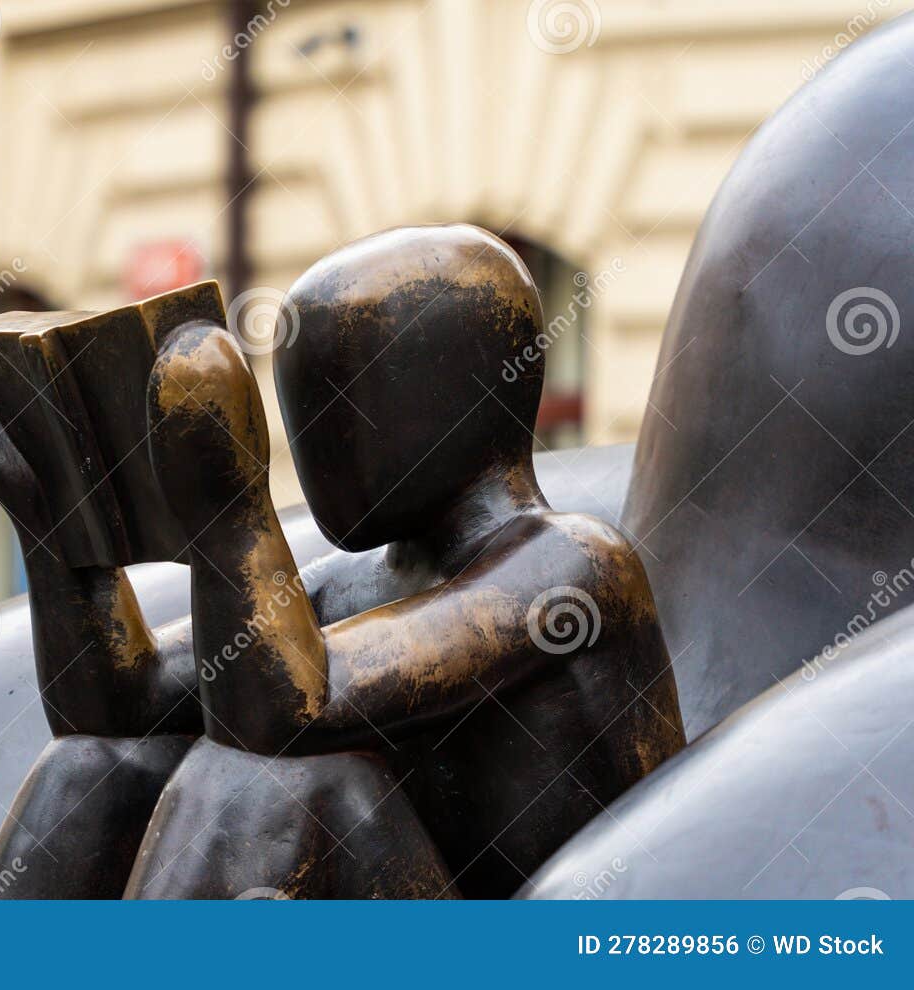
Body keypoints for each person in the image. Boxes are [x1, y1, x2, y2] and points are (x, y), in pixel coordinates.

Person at [125, 224, 684, 897]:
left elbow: (293, 711)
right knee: (99, 762)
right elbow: (129, 695)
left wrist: (228, 511)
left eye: (337, 403)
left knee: (278, 777)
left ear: (448, 396)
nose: (310, 443)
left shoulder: (573, 568)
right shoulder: (354, 589)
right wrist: (52, 529)